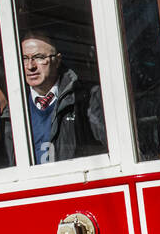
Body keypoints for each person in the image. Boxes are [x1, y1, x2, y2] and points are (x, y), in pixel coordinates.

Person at [19, 35, 106, 164]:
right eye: (25, 59)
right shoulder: (13, 111)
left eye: (39, 57)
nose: (30, 66)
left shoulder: (85, 99)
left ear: (58, 60)